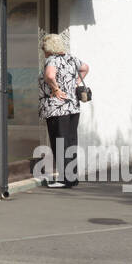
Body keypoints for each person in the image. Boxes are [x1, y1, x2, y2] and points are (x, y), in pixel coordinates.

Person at [38, 33, 89, 188]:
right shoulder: (71, 58)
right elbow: (86, 67)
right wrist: (76, 83)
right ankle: (72, 178)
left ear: (49, 48)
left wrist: (56, 89)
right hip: (73, 107)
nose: (43, 51)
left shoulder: (52, 60)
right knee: (70, 141)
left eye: (44, 48)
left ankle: (65, 180)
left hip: (57, 108)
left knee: (59, 142)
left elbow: (49, 75)